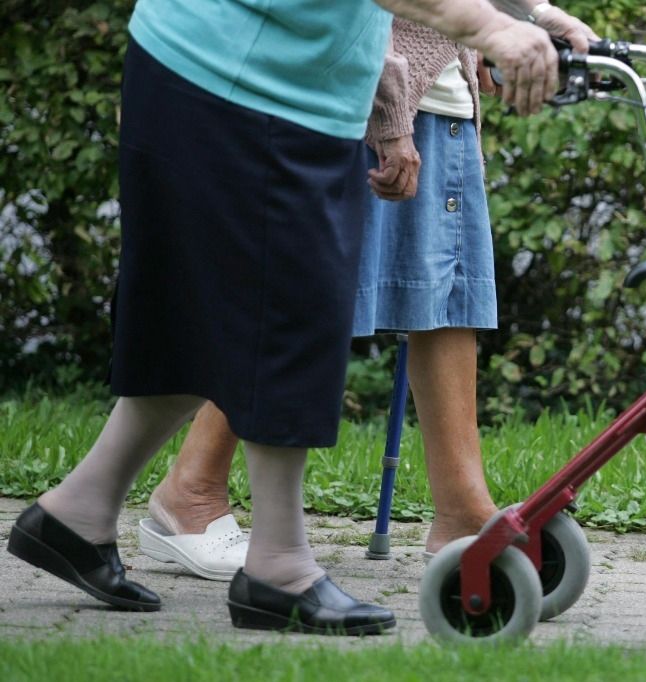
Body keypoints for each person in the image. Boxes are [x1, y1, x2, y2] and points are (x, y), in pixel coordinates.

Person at [6, 0, 593, 636]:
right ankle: (278, 569)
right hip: (234, 78)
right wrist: (492, 28)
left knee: (210, 323)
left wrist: (528, 12)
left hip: (264, 85)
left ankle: (76, 514)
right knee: (287, 315)